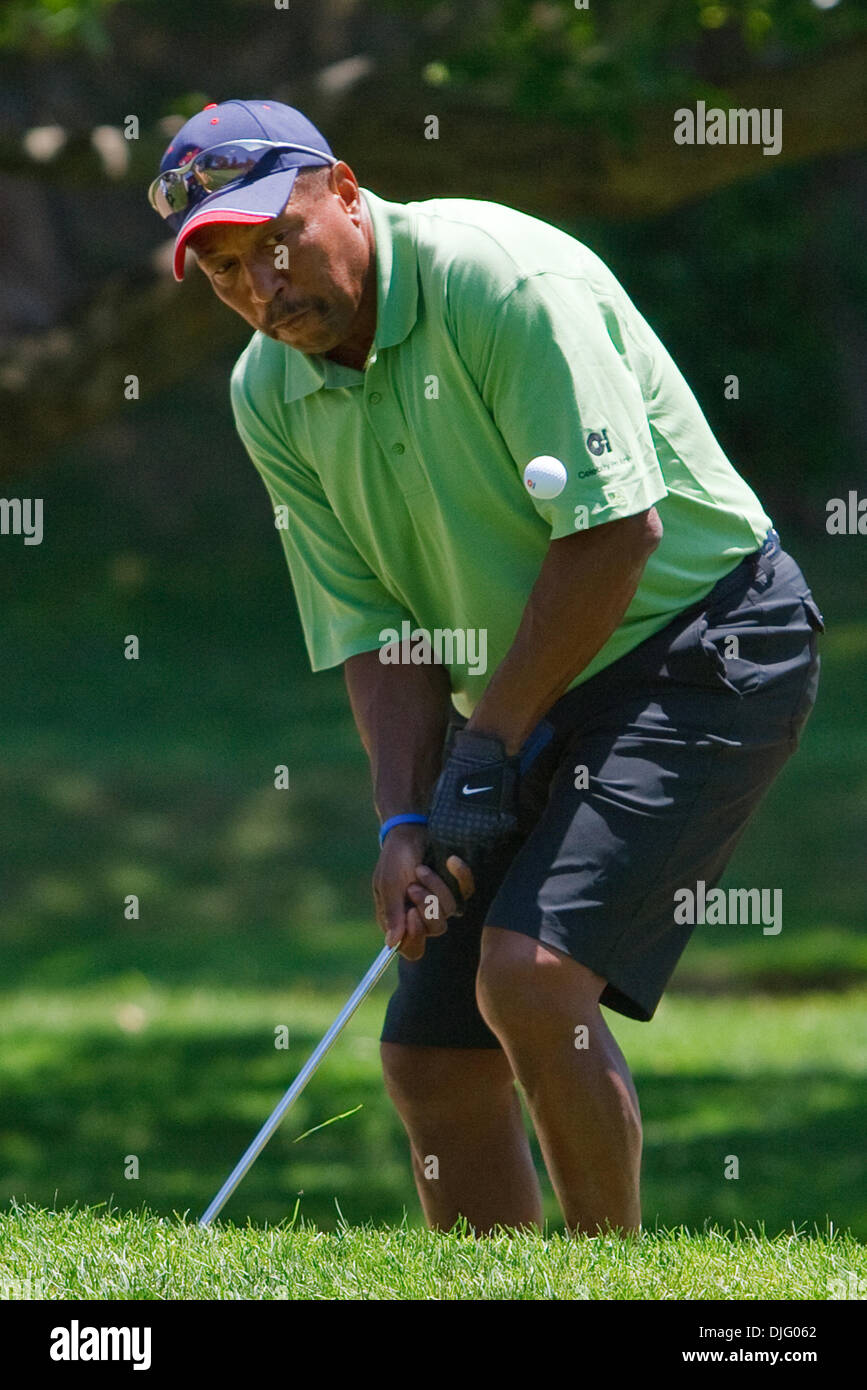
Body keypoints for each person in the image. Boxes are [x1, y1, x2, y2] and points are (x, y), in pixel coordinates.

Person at [149, 99, 825, 1236]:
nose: (260, 288)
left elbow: (617, 535)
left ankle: (606, 1286)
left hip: (703, 641)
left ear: (347, 191)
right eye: (221, 270)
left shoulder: (501, 282)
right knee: (428, 1057)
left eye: (275, 241)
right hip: (521, 685)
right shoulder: (269, 394)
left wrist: (490, 741)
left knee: (530, 978)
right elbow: (378, 631)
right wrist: (402, 821)